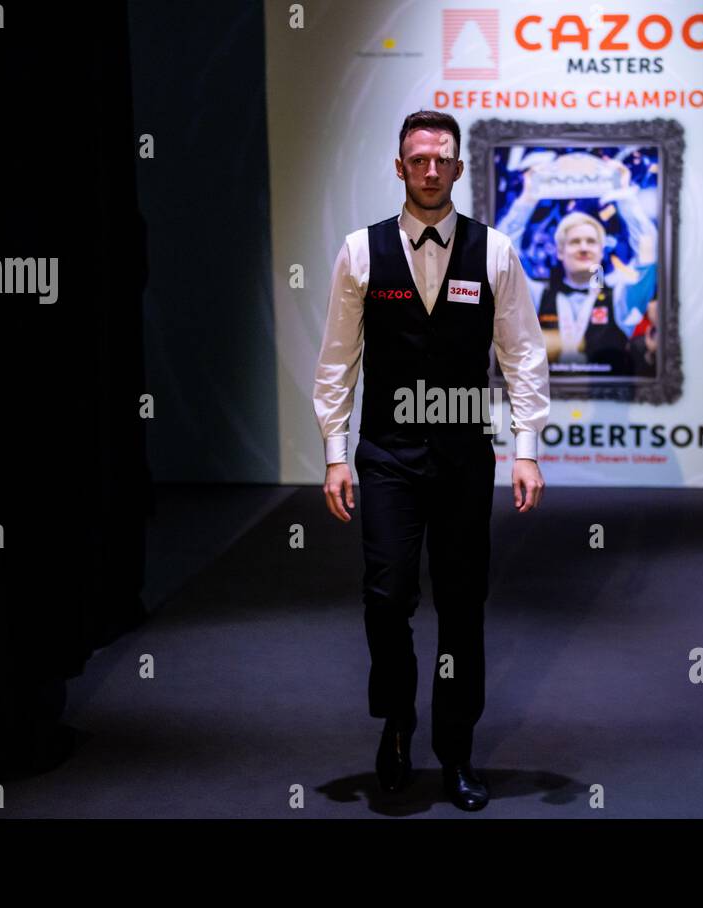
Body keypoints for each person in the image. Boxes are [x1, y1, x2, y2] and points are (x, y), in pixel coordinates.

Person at [312, 110, 551, 811]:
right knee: (386, 597)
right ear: (399, 167)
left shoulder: (495, 252)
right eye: (418, 159)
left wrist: (526, 449)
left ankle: (456, 752)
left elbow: (522, 356)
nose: (430, 169)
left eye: (442, 159)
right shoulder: (361, 252)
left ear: (456, 168)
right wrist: (334, 453)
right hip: (386, 451)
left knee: (461, 603)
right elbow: (337, 359)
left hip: (462, 454)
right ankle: (397, 718)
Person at [496, 158, 659, 377]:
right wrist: (527, 198)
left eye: (591, 242)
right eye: (574, 242)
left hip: (608, 404)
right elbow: (501, 255)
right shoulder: (534, 297)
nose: (584, 247)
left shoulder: (621, 300)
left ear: (602, 251)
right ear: (559, 252)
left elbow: (647, 254)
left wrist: (624, 195)